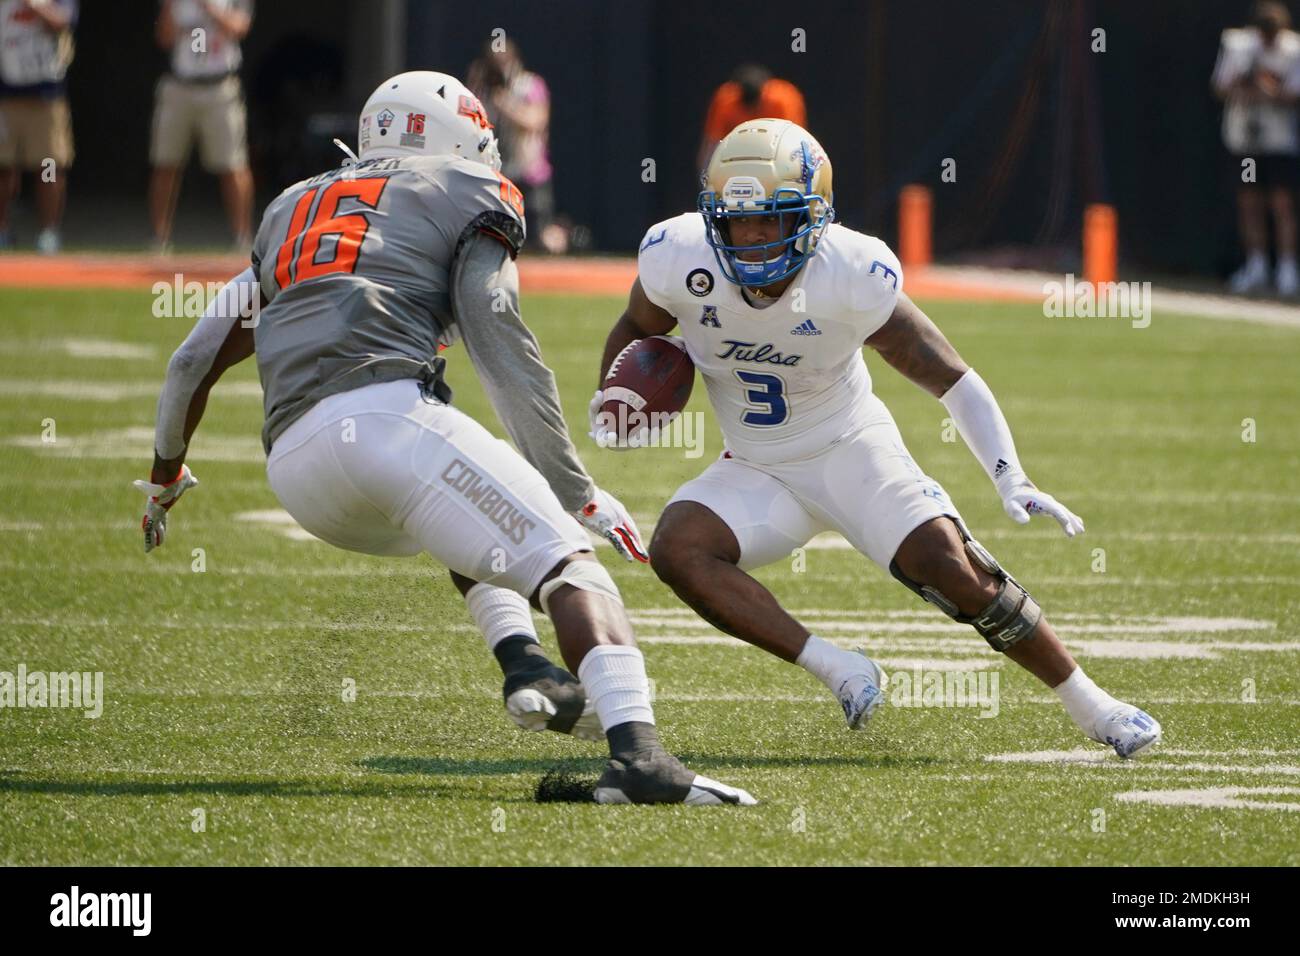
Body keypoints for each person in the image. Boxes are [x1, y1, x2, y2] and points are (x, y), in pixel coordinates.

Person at [134, 70, 755, 806]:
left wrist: (166, 477)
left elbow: (191, 361)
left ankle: (525, 662)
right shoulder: (466, 190)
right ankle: (640, 760)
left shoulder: (293, 206)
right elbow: (497, 337)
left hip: (299, 470)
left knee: (457, 505)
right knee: (570, 562)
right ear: (461, 138)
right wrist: (576, 491)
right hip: (383, 424)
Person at [590, 118, 1163, 759]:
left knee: (954, 569)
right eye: (736, 221)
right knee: (678, 548)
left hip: (850, 450)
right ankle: (839, 668)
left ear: (813, 217)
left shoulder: (851, 272)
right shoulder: (680, 256)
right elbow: (636, 329)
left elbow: (951, 377)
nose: (749, 239)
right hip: (755, 467)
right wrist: (614, 397)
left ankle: (1094, 705)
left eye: (770, 220)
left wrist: (1011, 475)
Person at [148, 0, 255, 252]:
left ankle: (242, 238)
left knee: (233, 164)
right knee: (165, 163)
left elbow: (239, 28)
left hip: (220, 87)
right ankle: (159, 239)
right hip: (180, 85)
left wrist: (208, 7)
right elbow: (164, 38)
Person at [1212, 1, 1300, 296]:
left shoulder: (1294, 51)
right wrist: (1245, 86)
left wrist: (1269, 88)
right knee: (1250, 202)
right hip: (1245, 141)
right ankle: (1256, 265)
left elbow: (1292, 95)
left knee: (1281, 203)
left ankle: (1287, 270)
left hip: (1278, 142)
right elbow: (1220, 87)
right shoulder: (1239, 47)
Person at [466, 38, 561, 252]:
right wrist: (475, 86)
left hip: (528, 171)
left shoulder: (530, 85)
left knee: (537, 236)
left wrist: (504, 101)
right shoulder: (481, 90)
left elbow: (535, 122)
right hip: (494, 171)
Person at [0, 0, 77, 254]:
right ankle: (2, 230)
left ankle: (48, 232)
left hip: (46, 96)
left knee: (48, 168)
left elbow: (61, 22)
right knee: (4, 167)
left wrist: (33, 5)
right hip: (6, 95)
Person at [697, 64, 805, 173]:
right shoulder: (726, 100)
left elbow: (795, 139)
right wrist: (707, 175)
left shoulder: (783, 99)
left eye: (755, 101)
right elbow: (712, 144)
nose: (752, 108)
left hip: (776, 153)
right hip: (737, 154)